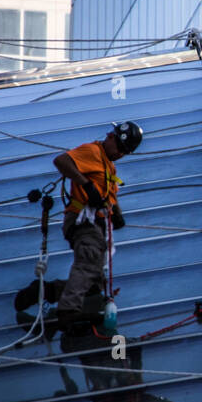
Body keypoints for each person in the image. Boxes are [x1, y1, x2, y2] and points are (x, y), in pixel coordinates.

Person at [52, 121, 143, 329]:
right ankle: (67, 311)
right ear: (111, 137)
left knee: (94, 281)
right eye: (120, 148)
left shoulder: (109, 165)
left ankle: (51, 291)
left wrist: (117, 213)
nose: (120, 154)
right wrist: (86, 185)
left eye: (125, 152)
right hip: (83, 219)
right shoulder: (92, 151)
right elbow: (61, 161)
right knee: (89, 261)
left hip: (97, 223)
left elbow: (109, 194)